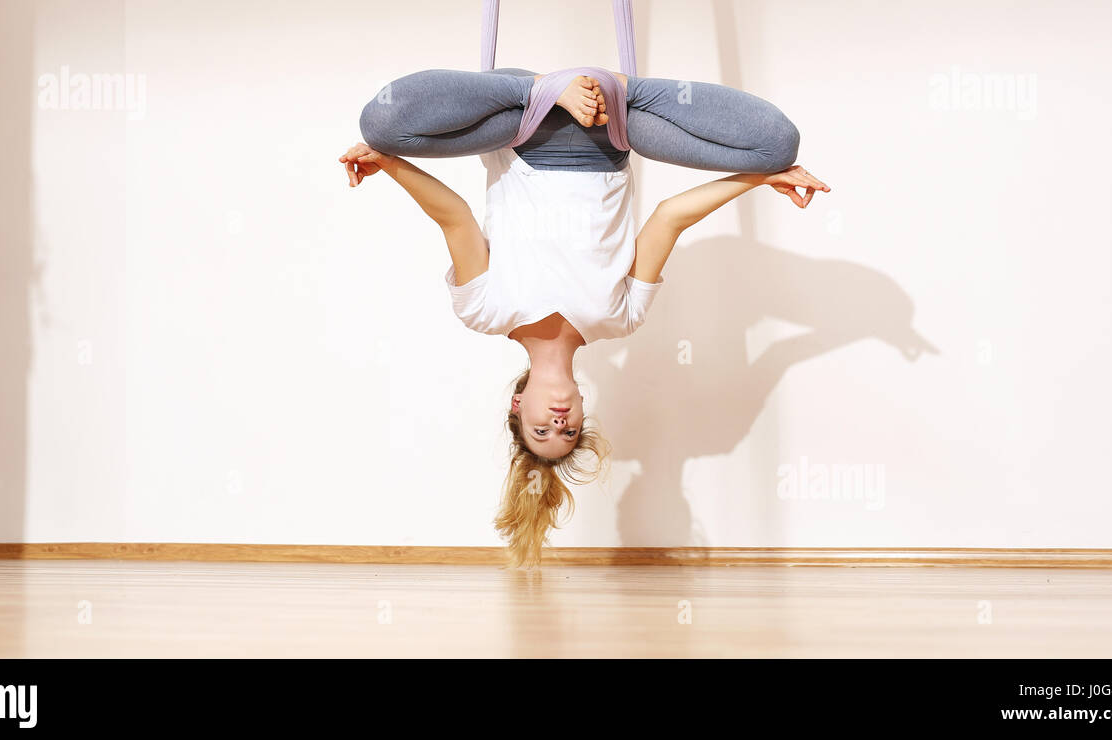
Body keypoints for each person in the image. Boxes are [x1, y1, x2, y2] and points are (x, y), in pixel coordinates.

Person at [340, 67, 829, 566]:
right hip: (612, 131)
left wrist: (389, 164)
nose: (558, 423)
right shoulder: (621, 318)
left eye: (541, 431)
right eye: (569, 432)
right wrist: (762, 178)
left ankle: (541, 88)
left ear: (517, 406)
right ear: (580, 410)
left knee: (381, 125)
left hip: (521, 129)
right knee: (775, 145)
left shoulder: (483, 311)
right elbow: (668, 218)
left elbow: (454, 215)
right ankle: (609, 85)